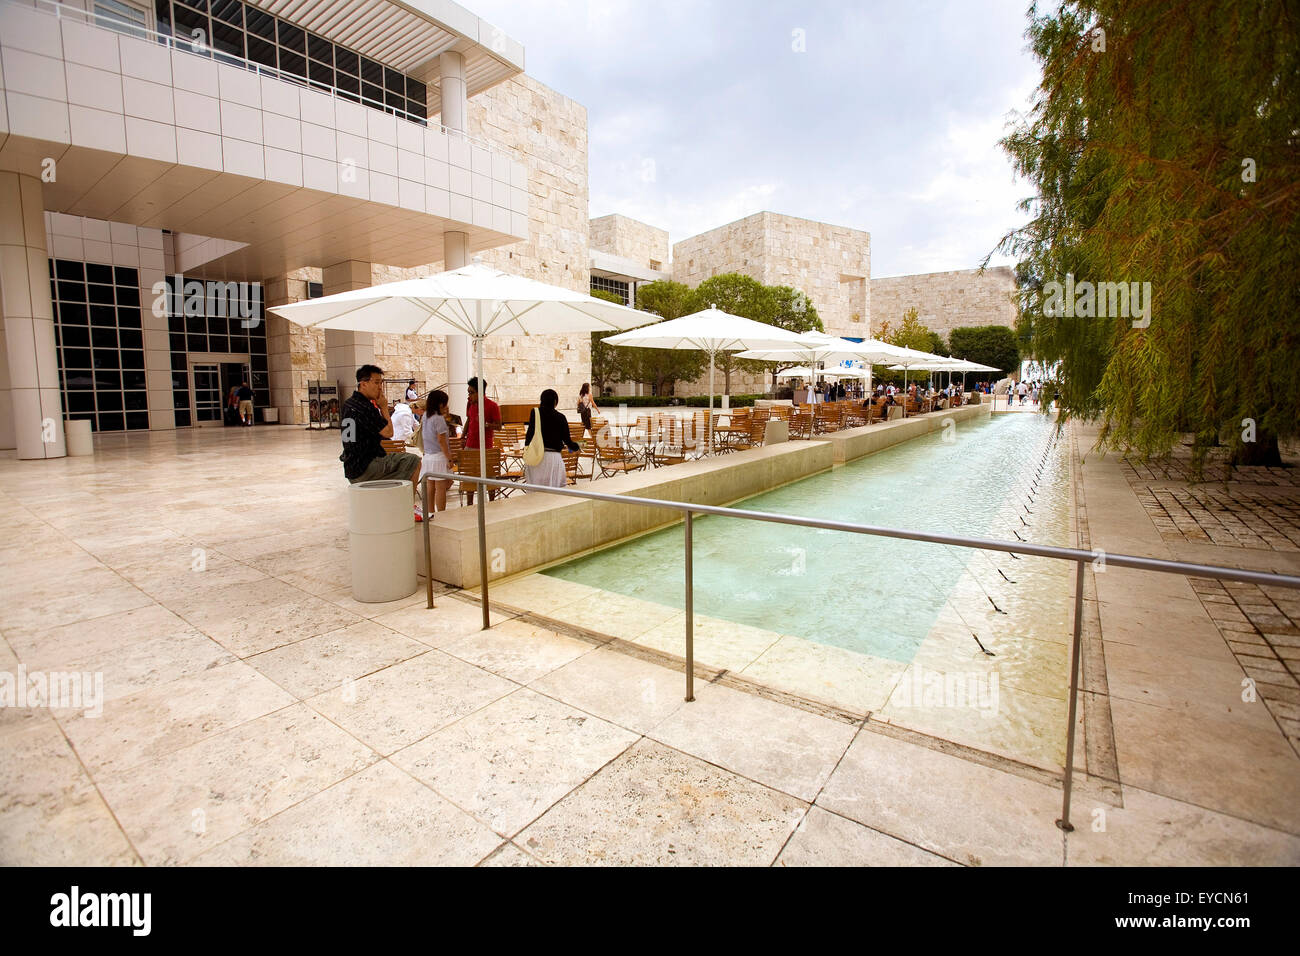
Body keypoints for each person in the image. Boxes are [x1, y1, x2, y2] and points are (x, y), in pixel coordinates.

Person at [339, 364, 422, 520]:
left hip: (351, 466)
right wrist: (384, 407)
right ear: (363, 384)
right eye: (376, 382)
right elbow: (389, 433)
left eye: (381, 383)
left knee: (397, 462)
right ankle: (407, 508)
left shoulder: (348, 404)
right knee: (413, 461)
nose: (380, 387)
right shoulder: (365, 407)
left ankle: (396, 503)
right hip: (366, 466)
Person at [524, 388, 581, 488]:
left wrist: (527, 449)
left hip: (536, 458)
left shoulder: (535, 412)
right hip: (554, 459)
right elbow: (568, 441)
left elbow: (529, 435)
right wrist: (578, 446)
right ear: (555, 402)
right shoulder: (561, 417)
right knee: (555, 492)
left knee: (535, 493)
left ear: (542, 400)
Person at [463, 376, 501, 506]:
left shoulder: (492, 406)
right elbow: (468, 420)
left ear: (480, 392)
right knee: (469, 477)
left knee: (490, 476)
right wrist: (463, 437)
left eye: (472, 392)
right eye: (468, 392)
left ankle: (492, 503)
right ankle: (469, 504)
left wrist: (486, 424)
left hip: (486, 446)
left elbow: (499, 426)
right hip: (470, 445)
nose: (469, 396)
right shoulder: (470, 403)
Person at [418, 390, 454, 513]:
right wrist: (449, 458)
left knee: (430, 486)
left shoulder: (425, 416)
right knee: (440, 488)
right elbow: (441, 440)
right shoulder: (438, 419)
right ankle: (441, 513)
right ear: (440, 404)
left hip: (428, 455)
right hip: (439, 456)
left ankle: (430, 512)